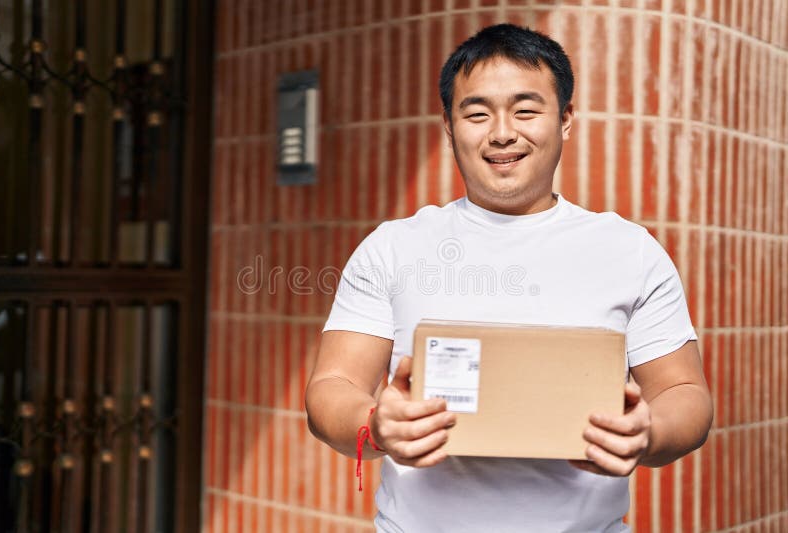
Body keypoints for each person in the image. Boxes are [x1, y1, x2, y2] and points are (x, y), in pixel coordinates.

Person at [305, 24, 713, 532]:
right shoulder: (392, 248)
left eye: (525, 110)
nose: (501, 132)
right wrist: (375, 426)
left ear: (564, 120)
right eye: (476, 113)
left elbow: (686, 394)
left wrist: (649, 432)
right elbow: (332, 386)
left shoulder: (630, 251)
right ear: (449, 127)